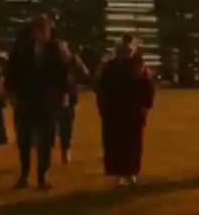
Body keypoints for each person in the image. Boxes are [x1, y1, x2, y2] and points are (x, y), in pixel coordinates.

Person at [5, 14, 70, 190]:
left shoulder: (55, 51)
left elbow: (63, 74)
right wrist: (11, 92)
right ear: (34, 32)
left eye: (46, 30)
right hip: (25, 99)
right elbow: (12, 71)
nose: (43, 34)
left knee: (46, 140)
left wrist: (64, 94)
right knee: (24, 140)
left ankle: (42, 175)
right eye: (40, 30)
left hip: (47, 101)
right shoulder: (22, 50)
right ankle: (24, 173)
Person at [96, 34, 156, 185]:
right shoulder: (111, 67)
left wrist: (145, 105)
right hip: (116, 111)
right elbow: (100, 88)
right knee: (118, 144)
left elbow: (147, 87)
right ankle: (122, 173)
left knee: (130, 144)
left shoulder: (136, 67)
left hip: (129, 111)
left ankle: (129, 172)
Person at [55, 40, 91, 165]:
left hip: (66, 96)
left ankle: (65, 149)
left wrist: (75, 82)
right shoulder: (53, 61)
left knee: (65, 125)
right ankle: (63, 149)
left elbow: (85, 73)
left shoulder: (73, 61)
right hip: (54, 97)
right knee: (61, 125)